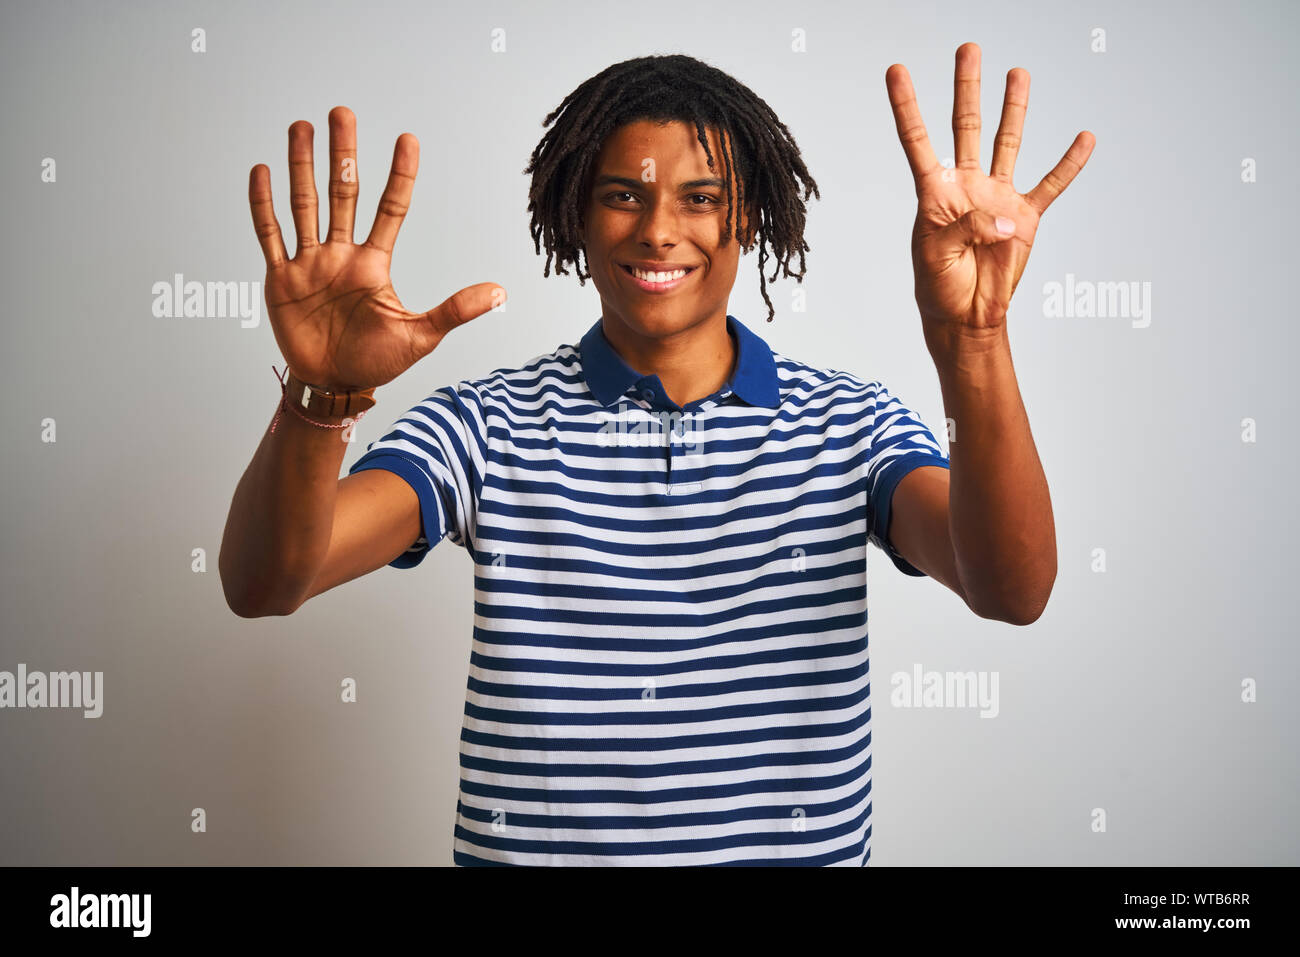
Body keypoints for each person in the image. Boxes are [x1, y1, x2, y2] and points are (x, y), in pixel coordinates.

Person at [220, 44, 1092, 865]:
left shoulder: (849, 423)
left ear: (748, 216)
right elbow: (268, 582)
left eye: (701, 198)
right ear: (577, 214)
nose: (659, 229)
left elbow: (1012, 590)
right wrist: (317, 395)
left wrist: (972, 340)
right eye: (623, 195)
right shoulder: (489, 424)